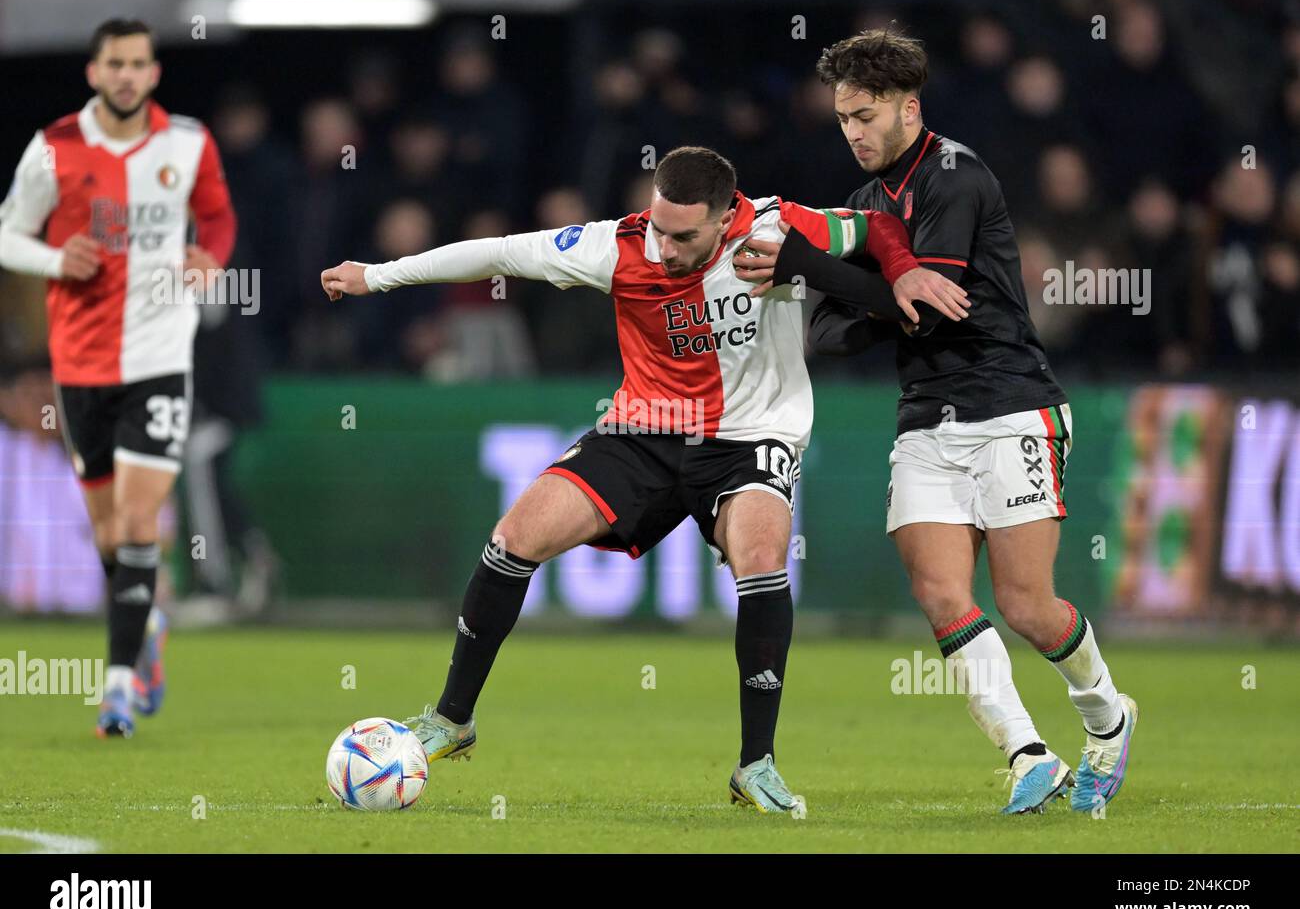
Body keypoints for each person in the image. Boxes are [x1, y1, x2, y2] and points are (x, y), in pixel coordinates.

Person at [322, 145, 967, 813]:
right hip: (642, 431)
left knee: (762, 557)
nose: (664, 246)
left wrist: (906, 273)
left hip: (749, 437)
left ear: (726, 219)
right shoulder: (616, 247)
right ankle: (453, 718)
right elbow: (500, 252)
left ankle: (756, 765)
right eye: (659, 226)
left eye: (683, 235)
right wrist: (379, 276)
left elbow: (877, 228)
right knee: (515, 536)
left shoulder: (779, 229)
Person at [735, 28, 1136, 815]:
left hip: (1010, 401)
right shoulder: (863, 205)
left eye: (866, 114)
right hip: (924, 417)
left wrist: (816, 271)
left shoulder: (954, 175)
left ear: (908, 107)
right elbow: (835, 330)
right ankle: (1027, 753)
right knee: (942, 594)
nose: (852, 131)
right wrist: (865, 294)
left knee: (1025, 605)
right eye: (843, 117)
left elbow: (922, 308)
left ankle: (1108, 717)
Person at [0, 19, 236, 737]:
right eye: (115, 64)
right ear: (95, 73)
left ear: (153, 72)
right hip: (81, 364)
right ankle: (150, 622)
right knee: (108, 534)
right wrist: (52, 260)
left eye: (139, 63)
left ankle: (118, 685)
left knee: (138, 521)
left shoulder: (188, 142)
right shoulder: (54, 150)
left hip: (161, 355)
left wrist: (212, 261)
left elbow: (218, 218)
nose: (127, 75)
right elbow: (8, 230)